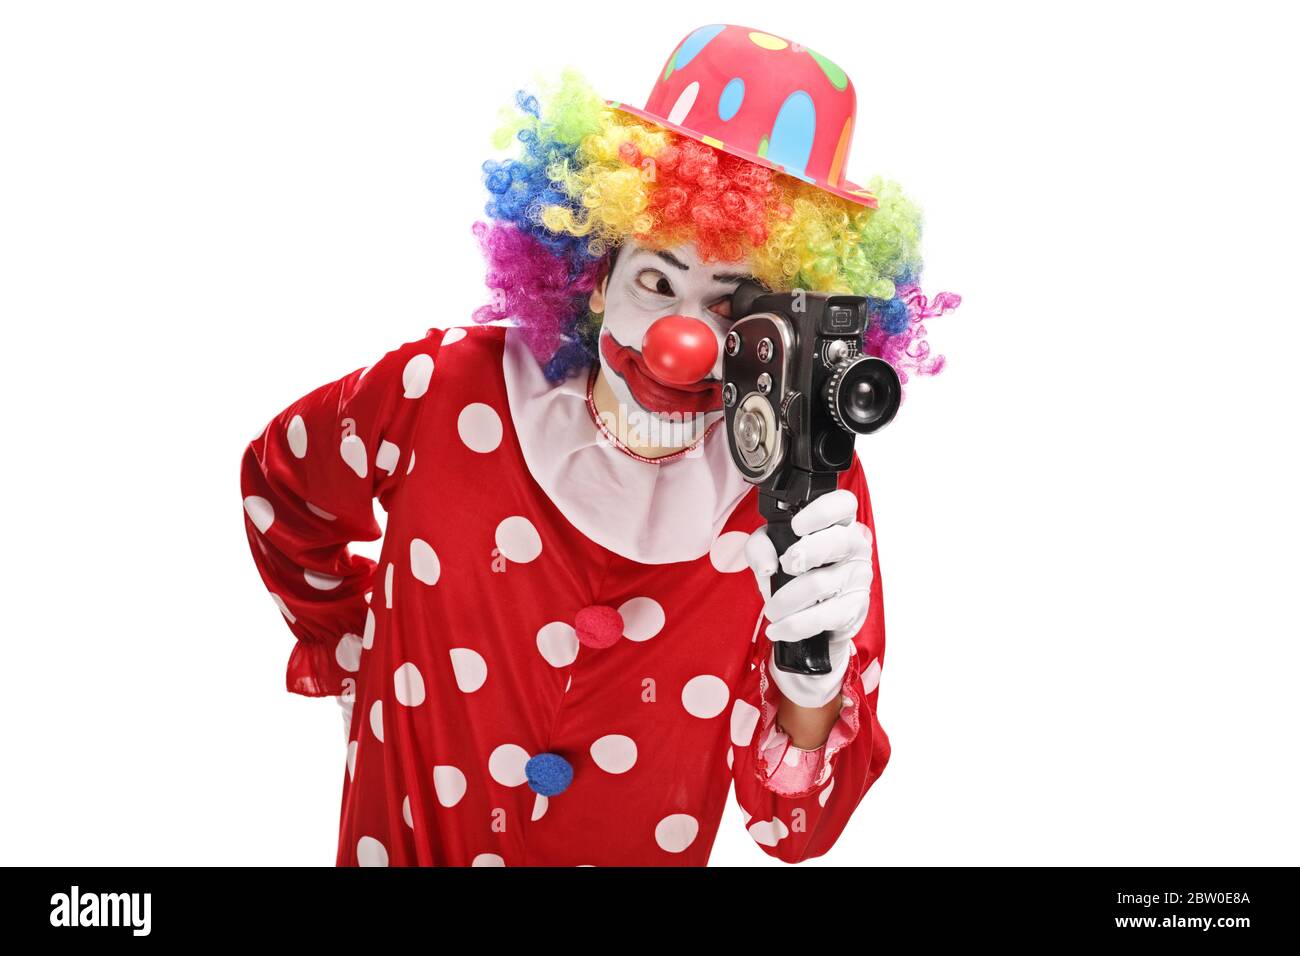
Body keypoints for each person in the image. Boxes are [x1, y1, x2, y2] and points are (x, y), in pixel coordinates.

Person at [239, 23, 958, 866]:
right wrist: (347, 641)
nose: (682, 341)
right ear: (591, 273)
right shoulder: (441, 392)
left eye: (736, 304)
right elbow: (281, 484)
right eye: (656, 280)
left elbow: (792, 830)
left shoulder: (800, 480)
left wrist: (812, 694)